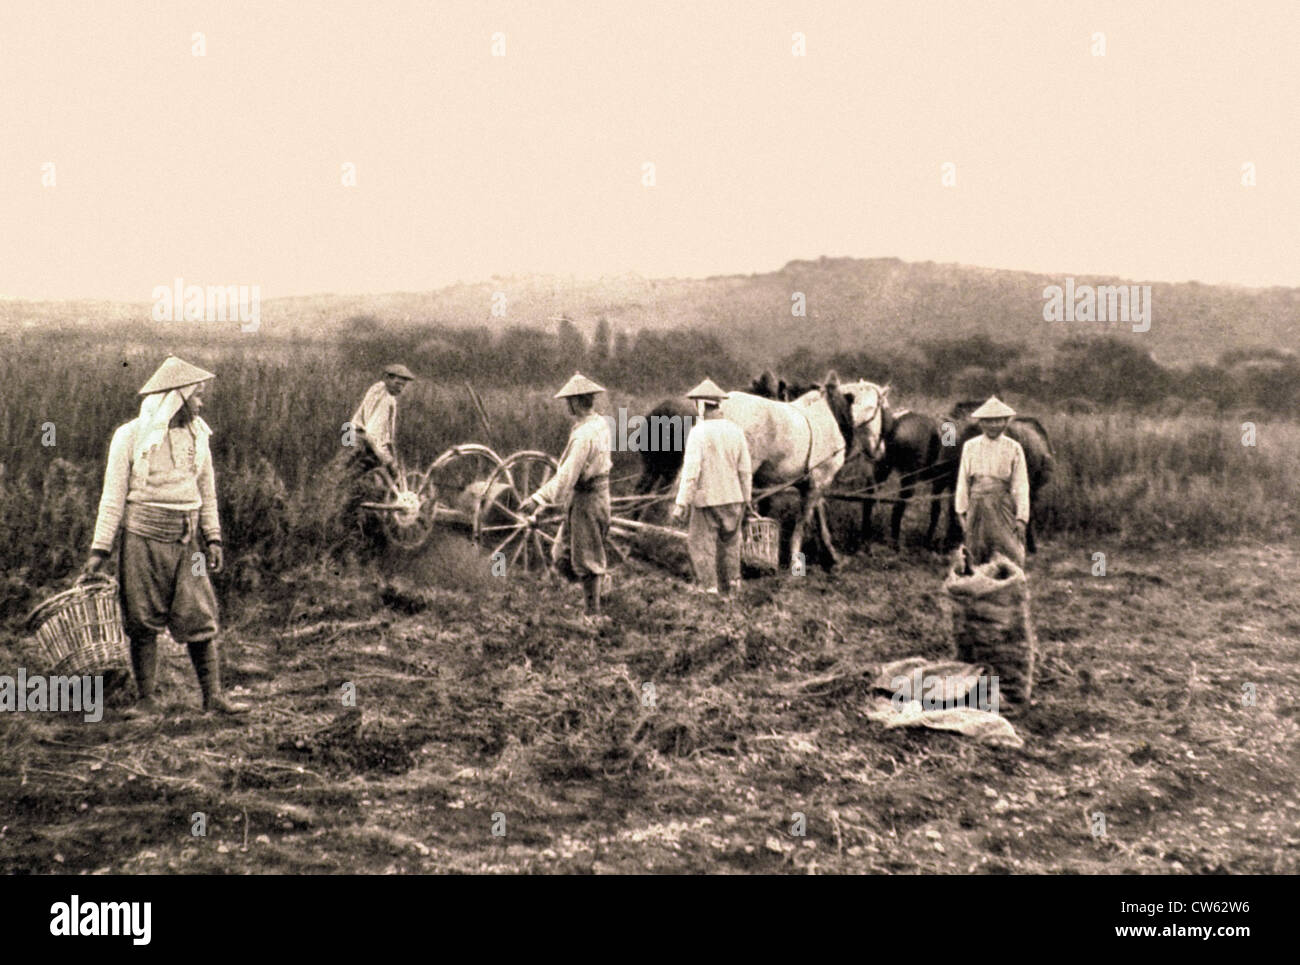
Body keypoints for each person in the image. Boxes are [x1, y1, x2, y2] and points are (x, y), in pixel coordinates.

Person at [80, 356, 248, 716]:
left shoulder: (198, 435)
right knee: (141, 620)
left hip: (188, 542)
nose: (201, 403)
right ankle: (146, 700)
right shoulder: (129, 437)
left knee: (201, 614)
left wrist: (213, 537)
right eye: (196, 397)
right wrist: (100, 548)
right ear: (176, 397)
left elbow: (207, 489)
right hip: (142, 538)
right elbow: (112, 496)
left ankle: (213, 696)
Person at [521, 373, 612, 619]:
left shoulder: (585, 435)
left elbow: (567, 476)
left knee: (587, 559)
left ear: (575, 401)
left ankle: (592, 613)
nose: (566, 406)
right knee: (561, 554)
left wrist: (537, 499)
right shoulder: (597, 423)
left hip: (589, 499)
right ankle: (596, 589)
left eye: (568, 401)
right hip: (584, 496)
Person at [670, 378, 754, 596]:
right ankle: (733, 587)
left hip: (707, 501)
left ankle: (710, 589)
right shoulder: (736, 431)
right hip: (734, 499)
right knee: (731, 544)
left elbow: (690, 473)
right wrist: (747, 498)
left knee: (701, 545)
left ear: (701, 405)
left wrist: (681, 504)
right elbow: (745, 470)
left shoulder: (699, 432)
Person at [344, 363, 415, 550]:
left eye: (403, 385)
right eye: (398, 383)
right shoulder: (387, 401)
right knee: (378, 483)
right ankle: (370, 534)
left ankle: (353, 525)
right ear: (389, 379)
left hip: (352, 436)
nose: (400, 388)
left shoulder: (377, 388)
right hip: (364, 442)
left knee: (347, 481)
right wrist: (388, 460)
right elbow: (373, 435)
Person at [953, 396, 1030, 567]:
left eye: (998, 421)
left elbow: (1021, 485)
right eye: (988, 421)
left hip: (1002, 506)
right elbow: (963, 481)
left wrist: (1021, 518)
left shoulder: (1013, 448)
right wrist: (961, 512)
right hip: (977, 505)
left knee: (1009, 551)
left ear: (1005, 422)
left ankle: (1006, 584)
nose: (993, 425)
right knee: (975, 552)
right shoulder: (970, 446)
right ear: (980, 423)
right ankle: (979, 584)